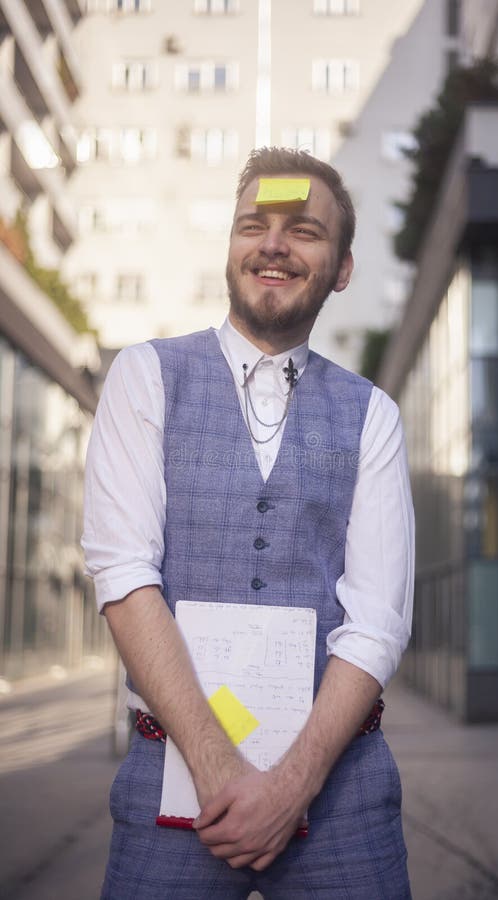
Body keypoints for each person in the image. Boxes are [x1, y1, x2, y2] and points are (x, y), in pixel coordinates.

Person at [82, 147, 414, 899]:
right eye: (251, 225)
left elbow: (376, 622)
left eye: (302, 229)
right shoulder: (144, 377)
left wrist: (291, 785)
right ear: (230, 245)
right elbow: (125, 574)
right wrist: (218, 765)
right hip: (172, 778)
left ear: (341, 267)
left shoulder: (373, 416)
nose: (271, 244)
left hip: (342, 798)